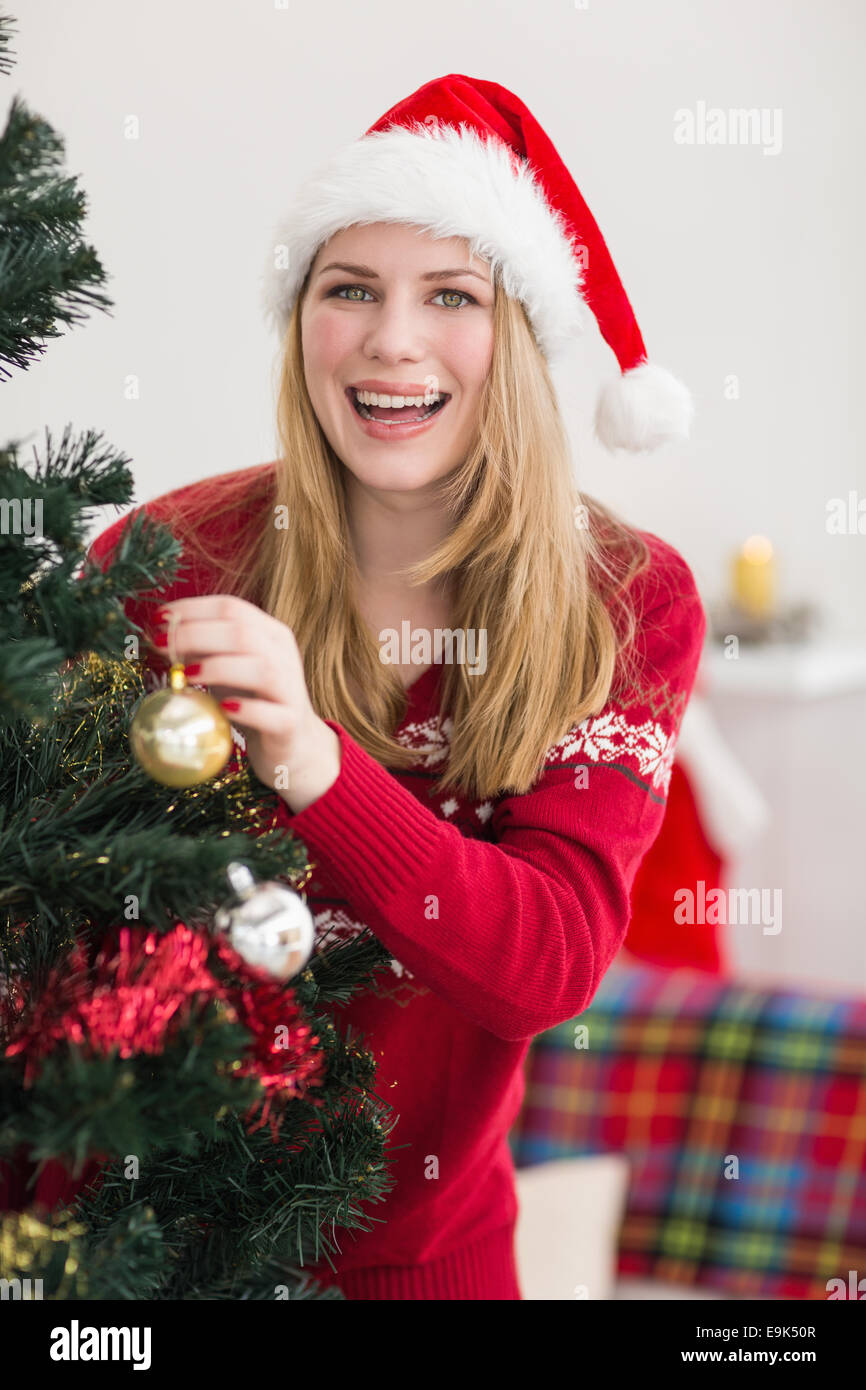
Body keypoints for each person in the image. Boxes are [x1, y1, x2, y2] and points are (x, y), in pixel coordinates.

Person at [87, 73, 706, 1300]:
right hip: (133, 1267)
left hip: (418, 1271)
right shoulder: (161, 565)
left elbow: (545, 965)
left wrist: (313, 762)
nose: (391, 341)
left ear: (515, 336)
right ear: (303, 321)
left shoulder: (625, 601)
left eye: (450, 297)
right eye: (349, 290)